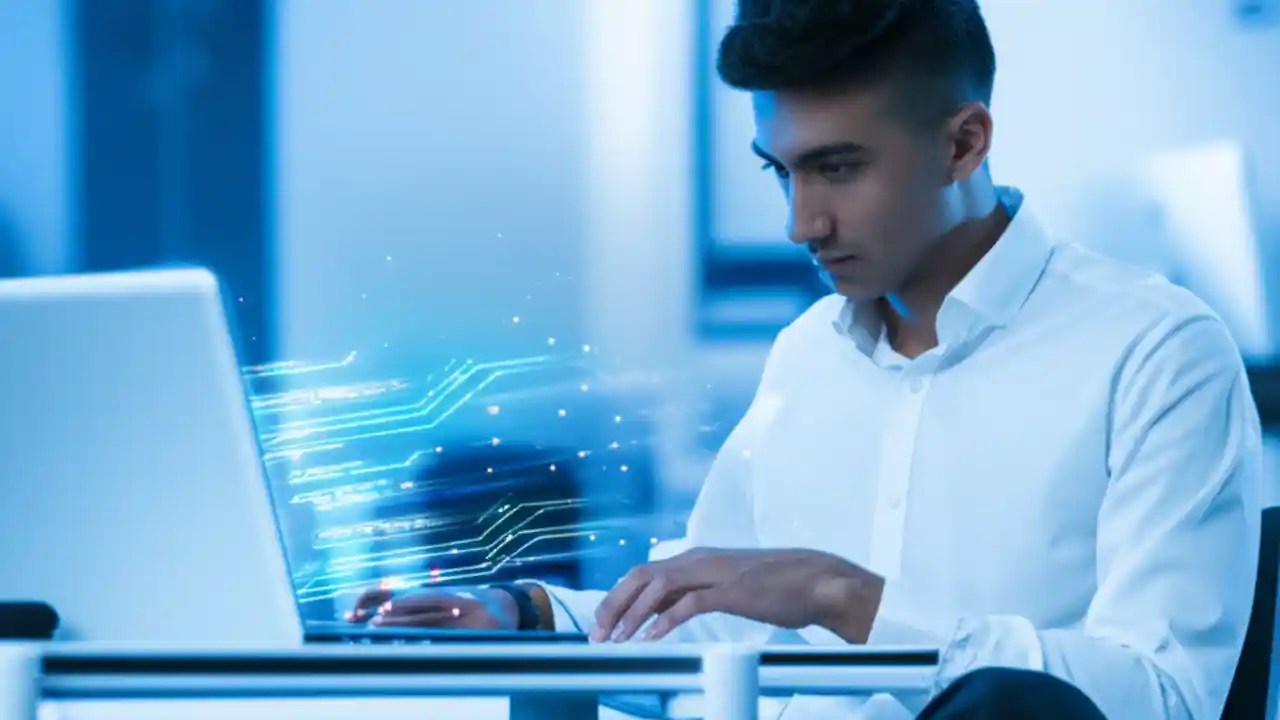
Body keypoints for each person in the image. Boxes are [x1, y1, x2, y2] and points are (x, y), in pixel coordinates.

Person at [349, 1, 1261, 717]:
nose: (801, 224)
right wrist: (531, 619)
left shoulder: (1154, 354)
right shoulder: (805, 358)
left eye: (837, 168)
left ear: (963, 143)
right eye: (779, 172)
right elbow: (716, 630)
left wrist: (842, 597)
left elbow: (1164, 701)